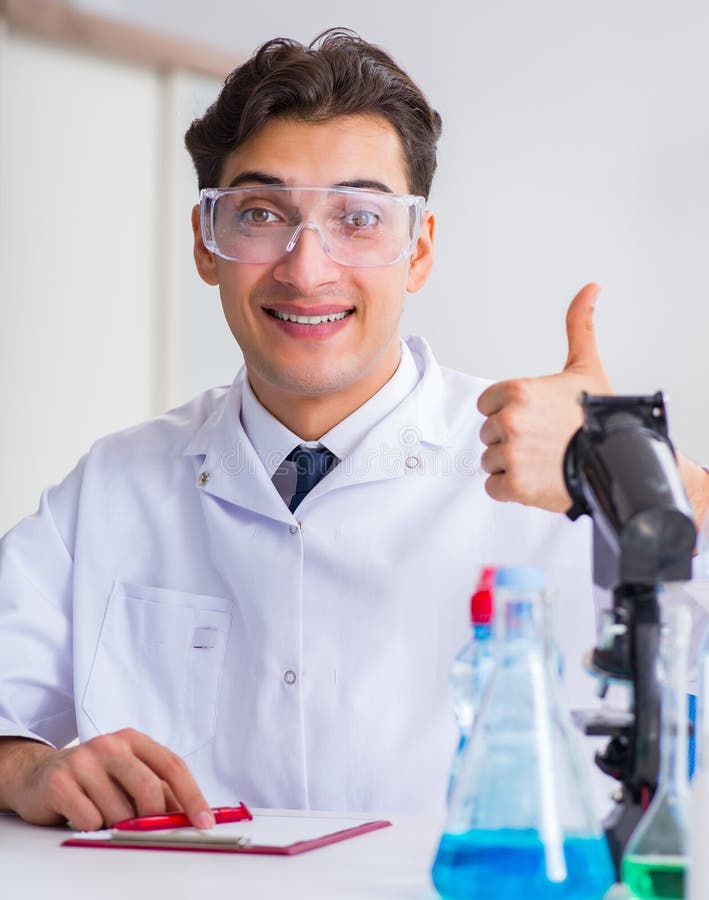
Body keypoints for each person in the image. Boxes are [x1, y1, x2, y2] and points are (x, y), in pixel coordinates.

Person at [0, 29, 707, 832]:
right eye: (261, 214)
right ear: (206, 242)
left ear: (418, 251)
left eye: (359, 218)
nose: (306, 268)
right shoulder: (117, 484)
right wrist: (28, 768)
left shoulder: (558, 474)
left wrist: (638, 470)